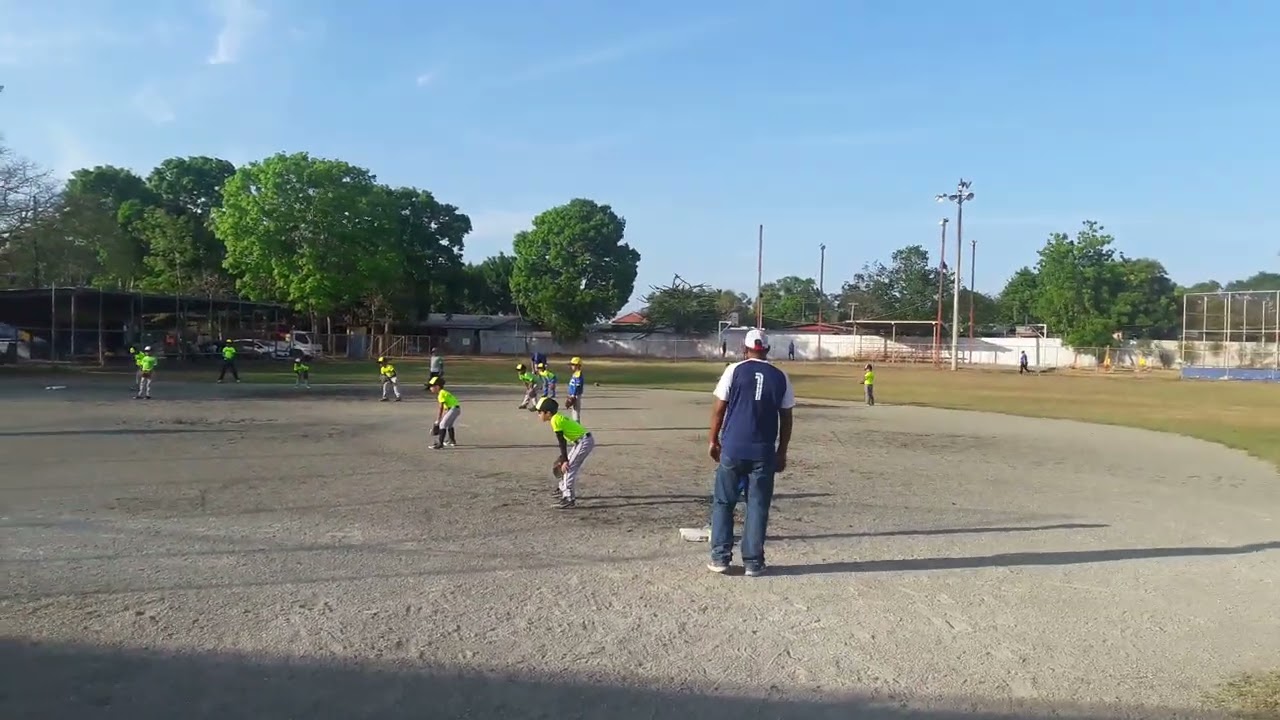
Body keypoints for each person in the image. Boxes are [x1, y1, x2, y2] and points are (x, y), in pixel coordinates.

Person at [707, 328, 794, 577]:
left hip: (733, 446)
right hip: (764, 450)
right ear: (766, 349)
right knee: (757, 505)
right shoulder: (781, 376)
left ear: (744, 349)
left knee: (724, 502)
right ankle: (753, 561)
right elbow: (786, 418)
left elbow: (718, 409)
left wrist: (713, 440)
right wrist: (782, 451)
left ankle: (720, 557)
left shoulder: (733, 370)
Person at [535, 396, 594, 509]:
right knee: (566, 466)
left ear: (547, 413)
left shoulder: (555, 420)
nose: (538, 415)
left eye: (539, 412)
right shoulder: (556, 418)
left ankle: (568, 498)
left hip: (584, 442)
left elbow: (562, 441)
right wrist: (564, 458)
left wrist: (565, 460)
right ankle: (563, 489)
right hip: (582, 441)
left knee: (568, 468)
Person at [427, 376, 460, 448]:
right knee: (449, 424)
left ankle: (440, 444)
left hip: (453, 409)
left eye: (432, 386)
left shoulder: (441, 394)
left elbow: (441, 407)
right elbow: (446, 409)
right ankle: (452, 440)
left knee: (442, 425)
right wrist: (443, 417)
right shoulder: (444, 392)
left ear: (437, 386)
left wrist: (438, 420)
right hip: (456, 409)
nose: (430, 388)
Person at [566, 356, 585, 422]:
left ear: (577, 366)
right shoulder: (575, 373)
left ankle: (577, 425)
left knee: (576, 410)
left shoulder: (578, 374)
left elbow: (577, 386)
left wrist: (573, 395)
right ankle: (575, 423)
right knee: (574, 410)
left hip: (576, 395)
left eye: (573, 365)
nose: (571, 366)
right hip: (573, 394)